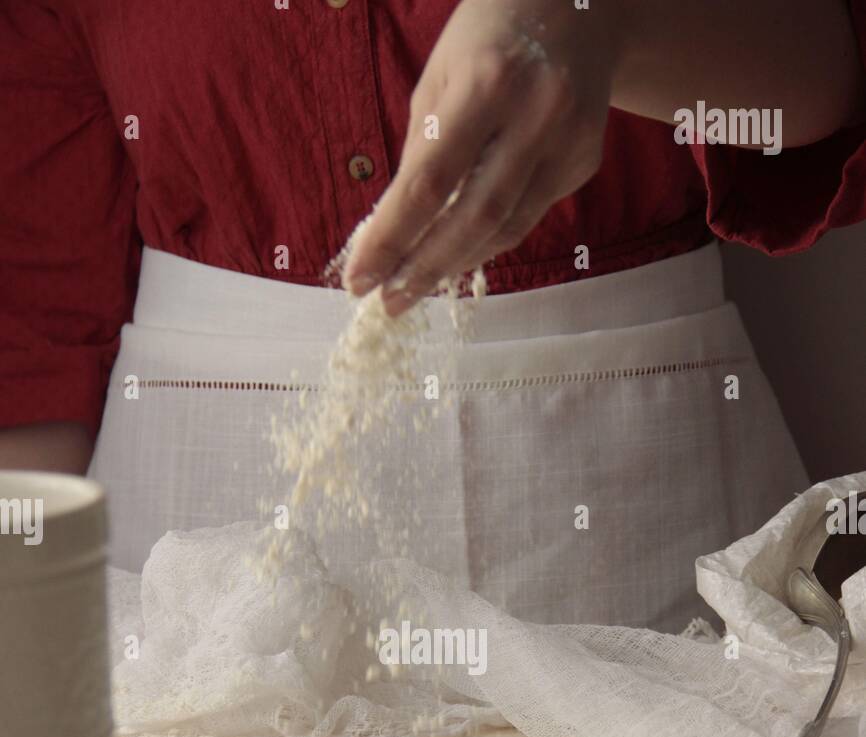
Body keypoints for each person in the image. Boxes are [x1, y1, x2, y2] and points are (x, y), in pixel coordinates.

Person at [2, 0, 866, 631]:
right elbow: (33, 327)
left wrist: (604, 23)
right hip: (186, 579)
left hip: (647, 570)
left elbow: (835, 68)